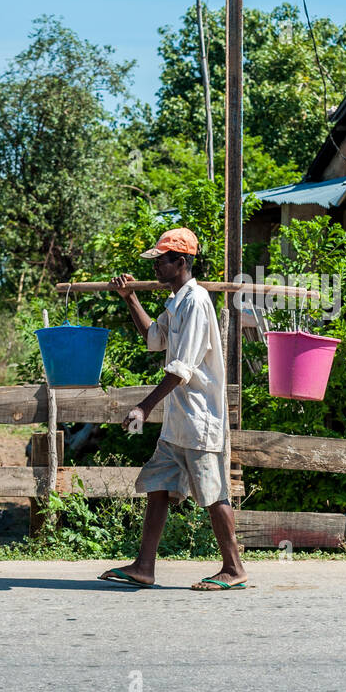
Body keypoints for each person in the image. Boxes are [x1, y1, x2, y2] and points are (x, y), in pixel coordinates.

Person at [98, 227, 247, 591]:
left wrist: (144, 407)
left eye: (161, 261)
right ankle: (144, 566)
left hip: (199, 418)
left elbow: (182, 368)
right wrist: (129, 297)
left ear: (181, 262)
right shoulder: (176, 302)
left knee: (214, 494)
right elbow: (153, 339)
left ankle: (234, 568)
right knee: (159, 486)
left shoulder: (196, 302)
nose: (156, 268)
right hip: (178, 422)